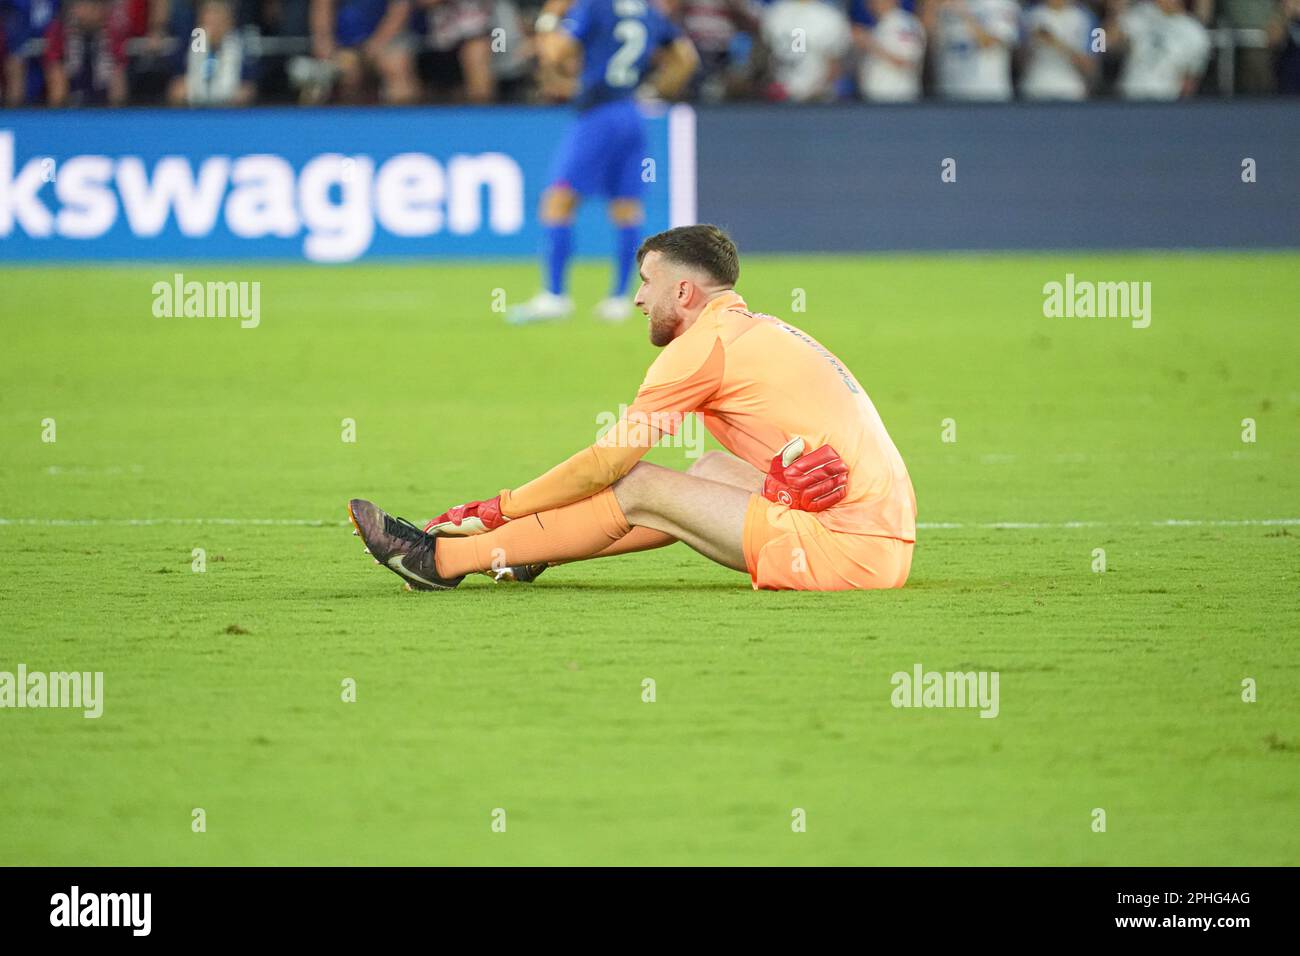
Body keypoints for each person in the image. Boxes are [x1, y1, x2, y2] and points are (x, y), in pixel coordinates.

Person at [348, 224, 917, 593]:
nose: (638, 298)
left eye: (646, 283)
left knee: (641, 484)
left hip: (847, 552)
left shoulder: (699, 350)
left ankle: (440, 565)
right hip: (882, 542)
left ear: (685, 293)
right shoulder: (756, 329)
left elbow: (607, 467)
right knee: (706, 471)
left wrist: (500, 507)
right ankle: (525, 552)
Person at [506, 0, 699, 326]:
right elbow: (686, 60)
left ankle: (554, 296)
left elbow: (556, 52)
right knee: (626, 208)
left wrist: (550, 17)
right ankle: (619, 299)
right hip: (631, 112)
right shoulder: (648, 10)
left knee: (558, 200)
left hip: (597, 115)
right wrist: (655, 89)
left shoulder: (593, 6)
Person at [1108, 0, 1209, 99]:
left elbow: (1190, 81)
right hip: (1129, 95)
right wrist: (1117, 11)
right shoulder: (1141, 13)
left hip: (1166, 100)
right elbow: (1104, 42)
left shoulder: (1194, 32)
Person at [925, 0, 1020, 101]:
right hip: (947, 89)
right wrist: (930, 8)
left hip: (986, 93)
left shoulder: (1002, 5)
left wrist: (964, 14)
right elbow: (929, 42)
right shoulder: (946, 4)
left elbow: (989, 43)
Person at [167, 0, 258, 105]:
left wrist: (244, 91)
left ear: (229, 21)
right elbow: (177, 78)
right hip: (193, 108)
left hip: (231, 111)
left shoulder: (241, 45)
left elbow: (249, 83)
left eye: (218, 17)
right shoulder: (188, 44)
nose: (214, 23)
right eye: (209, 17)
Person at [1019, 0, 1097, 100]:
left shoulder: (1088, 18)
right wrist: (1029, 42)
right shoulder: (1027, 15)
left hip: (1071, 91)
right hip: (1034, 88)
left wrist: (1055, 42)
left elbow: (1091, 66)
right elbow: (1018, 62)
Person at [854, 0, 926, 102]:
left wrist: (869, 43)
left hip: (898, 98)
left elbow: (906, 62)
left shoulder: (903, 23)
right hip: (877, 98)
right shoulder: (883, 23)